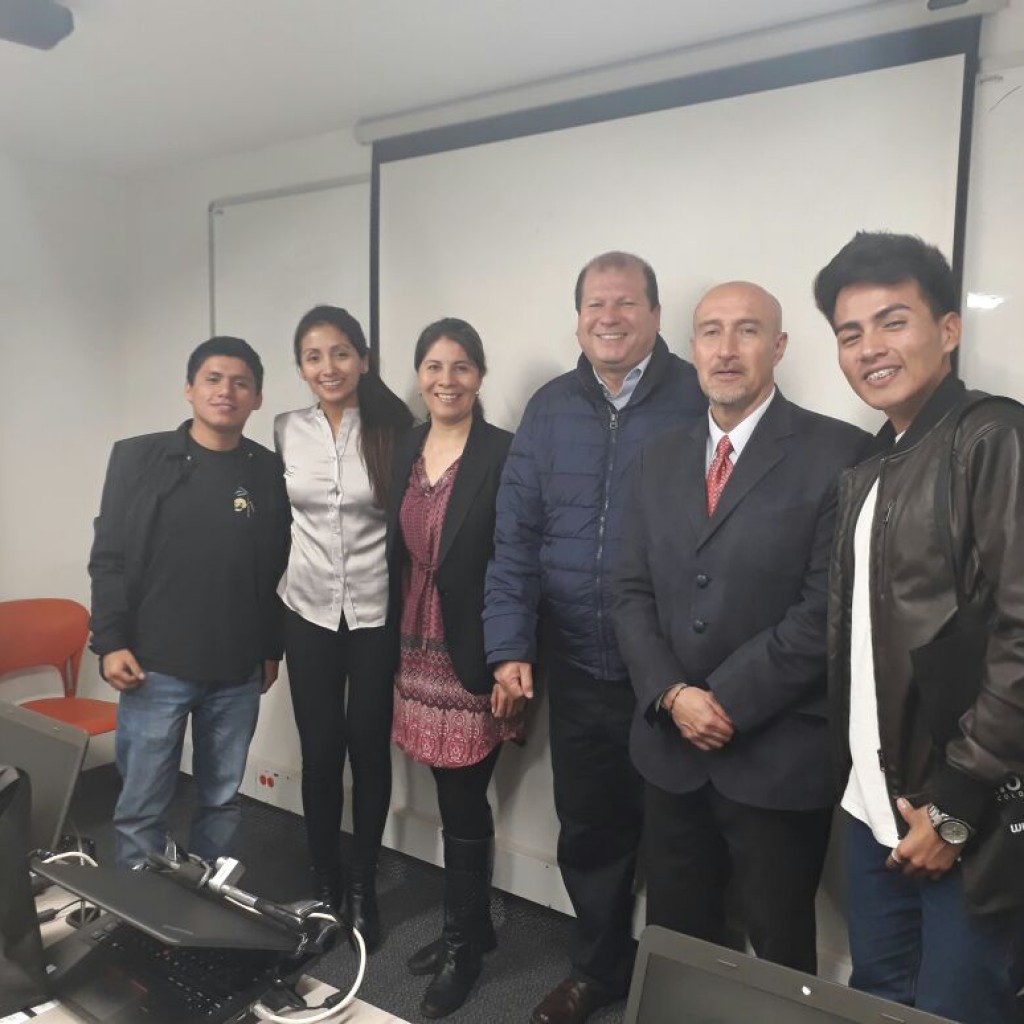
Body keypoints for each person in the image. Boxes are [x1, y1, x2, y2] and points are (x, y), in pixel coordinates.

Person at [611, 282, 868, 972]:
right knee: (676, 942)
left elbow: (826, 611)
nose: (726, 350)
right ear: (691, 347)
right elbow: (628, 591)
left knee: (779, 952)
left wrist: (724, 702)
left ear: (778, 347)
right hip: (669, 751)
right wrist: (672, 694)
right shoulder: (657, 457)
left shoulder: (841, 454)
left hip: (777, 755)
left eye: (747, 331)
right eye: (711, 332)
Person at [484, 252, 707, 1024]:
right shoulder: (549, 409)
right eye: (594, 304)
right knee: (590, 832)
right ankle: (601, 971)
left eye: (626, 303)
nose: (609, 317)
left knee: (681, 843)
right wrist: (509, 649)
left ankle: (677, 990)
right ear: (577, 317)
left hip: (671, 673)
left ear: (654, 313)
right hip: (577, 665)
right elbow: (514, 541)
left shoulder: (698, 398)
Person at [814, 232, 1024, 1023]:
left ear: (947, 328)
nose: (871, 348)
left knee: (958, 1007)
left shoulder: (991, 437)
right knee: (881, 999)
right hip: (876, 806)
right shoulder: (872, 466)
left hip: (961, 815)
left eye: (892, 321)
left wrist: (956, 804)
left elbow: (1020, 634)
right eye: (850, 333)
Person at [89, 336, 290, 869]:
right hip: (154, 667)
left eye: (240, 382)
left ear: (257, 398)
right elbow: (108, 556)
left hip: (237, 670)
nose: (226, 391)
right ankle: (137, 907)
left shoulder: (268, 472)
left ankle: (206, 909)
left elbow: (275, 568)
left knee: (221, 800)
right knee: (142, 805)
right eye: (213, 379)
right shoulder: (140, 458)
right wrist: (110, 643)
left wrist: (271, 649)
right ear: (189, 389)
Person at [386, 317, 523, 1018]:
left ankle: (463, 947)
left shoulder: (503, 451)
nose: (447, 379)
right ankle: (470, 928)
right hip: (413, 647)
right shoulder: (407, 445)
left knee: (464, 803)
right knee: (448, 797)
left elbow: (518, 559)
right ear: (418, 374)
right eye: (435, 366)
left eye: (462, 367)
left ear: (479, 376)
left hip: (474, 650)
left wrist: (512, 659)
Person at [275, 306, 413, 950]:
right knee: (321, 752)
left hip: (376, 614)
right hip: (306, 611)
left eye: (339, 353)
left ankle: (363, 887)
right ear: (301, 368)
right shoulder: (284, 431)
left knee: (367, 747)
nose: (327, 367)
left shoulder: (395, 432)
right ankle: (326, 888)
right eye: (313, 356)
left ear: (361, 359)